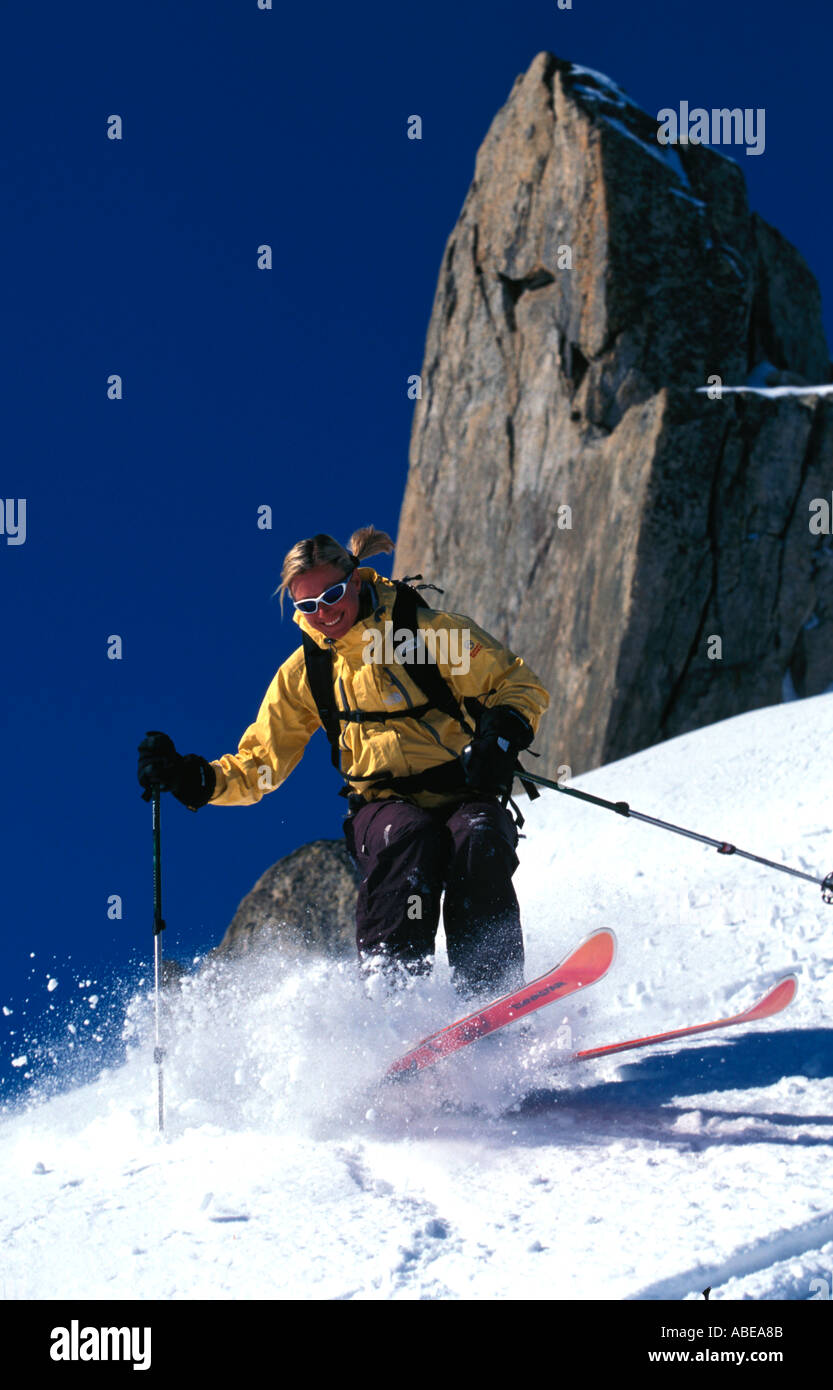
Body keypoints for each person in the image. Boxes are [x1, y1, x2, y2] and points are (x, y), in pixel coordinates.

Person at [137, 526, 550, 998]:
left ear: (355, 580)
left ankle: (492, 994)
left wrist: (500, 736)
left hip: (465, 787)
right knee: (407, 840)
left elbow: (518, 685)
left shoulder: (426, 633)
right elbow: (260, 764)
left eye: (331, 595)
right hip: (384, 804)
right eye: (307, 606)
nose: (324, 613)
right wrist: (193, 777)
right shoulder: (306, 674)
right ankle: (392, 1005)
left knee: (477, 839)